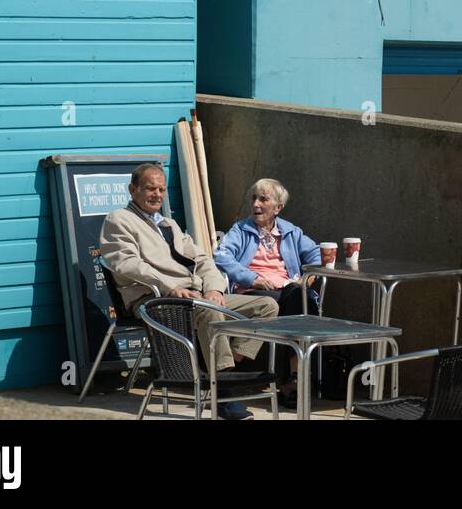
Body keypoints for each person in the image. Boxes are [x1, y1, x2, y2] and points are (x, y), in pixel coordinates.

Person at [99, 163, 279, 420]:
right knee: (209, 314)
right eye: (150, 189)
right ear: (132, 189)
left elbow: (203, 260)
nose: (157, 195)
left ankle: (228, 367)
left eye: (161, 189)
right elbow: (127, 263)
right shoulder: (118, 220)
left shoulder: (169, 224)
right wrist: (169, 286)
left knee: (267, 306)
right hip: (155, 298)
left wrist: (214, 289)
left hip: (193, 296)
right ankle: (225, 393)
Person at [214, 178, 323, 404]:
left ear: (277, 208)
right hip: (254, 292)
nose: (256, 204)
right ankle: (292, 379)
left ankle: (292, 377)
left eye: (263, 199)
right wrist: (252, 278)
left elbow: (316, 254)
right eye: (254, 198)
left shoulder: (291, 231)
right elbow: (222, 256)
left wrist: (310, 275)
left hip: (287, 289)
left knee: (300, 299)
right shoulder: (241, 230)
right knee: (296, 303)